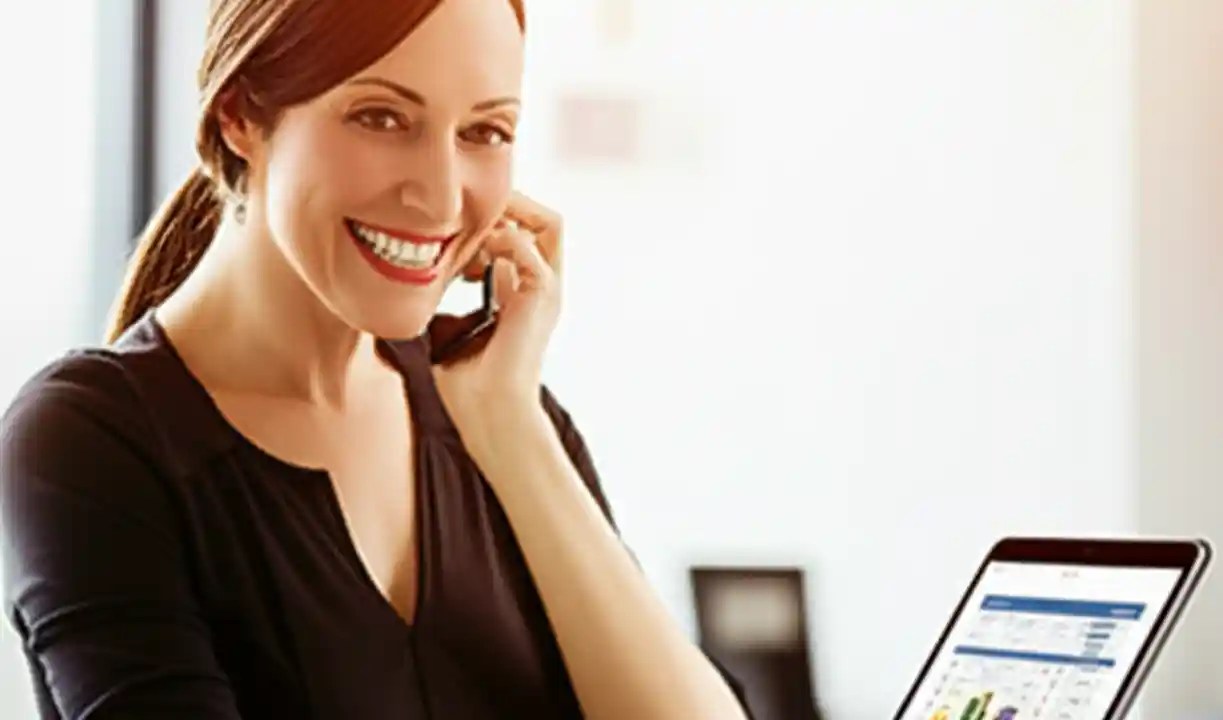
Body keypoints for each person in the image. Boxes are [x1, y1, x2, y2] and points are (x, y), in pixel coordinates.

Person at [0, 1, 752, 718]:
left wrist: (510, 429)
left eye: (485, 131)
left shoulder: (509, 419)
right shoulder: (91, 442)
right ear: (239, 116)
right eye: (382, 117)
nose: (440, 198)